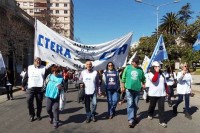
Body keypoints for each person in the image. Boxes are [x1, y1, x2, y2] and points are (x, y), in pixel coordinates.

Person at [22, 57, 52, 122]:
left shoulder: (44, 68)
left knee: (39, 103)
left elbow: (48, 77)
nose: (38, 62)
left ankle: (38, 115)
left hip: (40, 89)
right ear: (34, 62)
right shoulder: (30, 67)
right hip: (31, 88)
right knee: (29, 101)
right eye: (37, 61)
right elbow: (26, 76)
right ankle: (32, 115)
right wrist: (23, 85)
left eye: (39, 61)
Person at [121, 56, 146, 128]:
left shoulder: (140, 69)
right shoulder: (127, 68)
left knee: (135, 104)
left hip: (137, 89)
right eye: (135, 62)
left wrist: (144, 84)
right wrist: (122, 86)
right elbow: (123, 78)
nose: (136, 64)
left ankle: (134, 116)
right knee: (130, 103)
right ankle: (131, 120)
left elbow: (143, 78)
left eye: (138, 62)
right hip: (129, 89)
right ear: (132, 62)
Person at [147, 61, 168, 128]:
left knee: (161, 107)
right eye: (156, 67)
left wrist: (167, 91)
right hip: (153, 94)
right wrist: (156, 72)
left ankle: (162, 121)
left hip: (162, 94)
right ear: (153, 67)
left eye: (158, 66)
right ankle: (150, 113)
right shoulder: (150, 74)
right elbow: (154, 80)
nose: (158, 68)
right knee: (152, 105)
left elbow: (165, 83)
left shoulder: (162, 74)